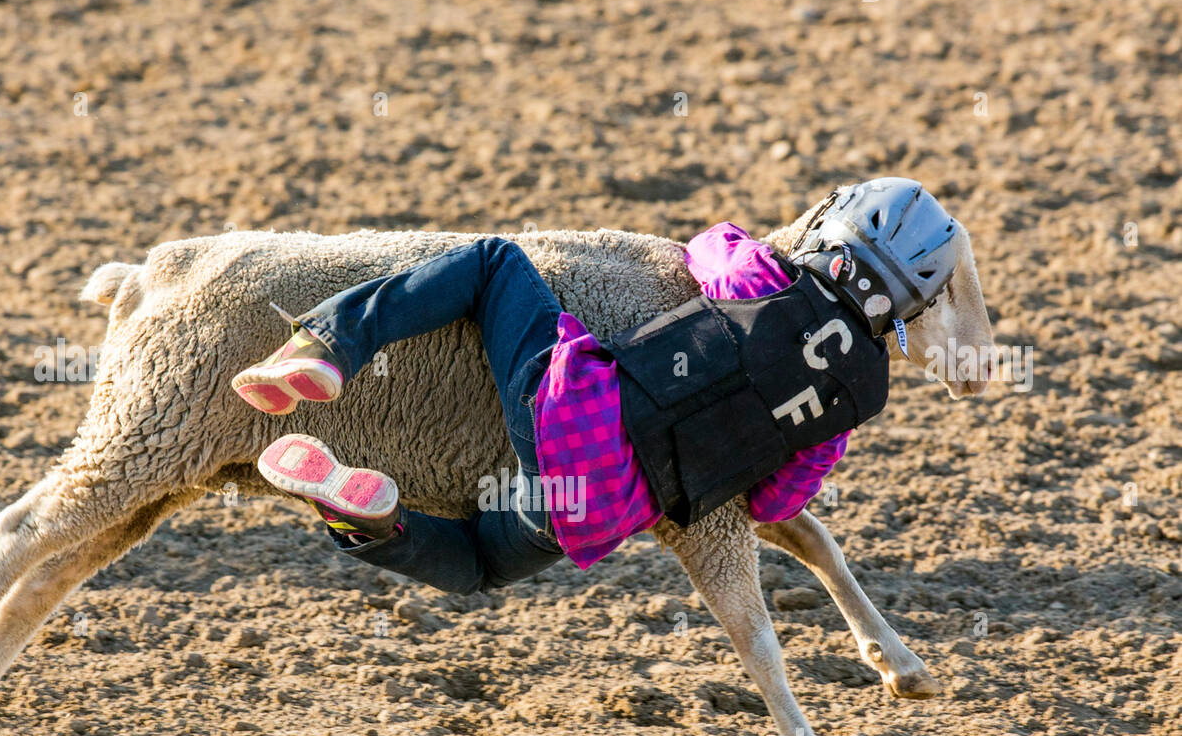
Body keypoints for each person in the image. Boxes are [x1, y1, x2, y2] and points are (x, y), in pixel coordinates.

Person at [230, 177, 958, 595]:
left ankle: (328, 343)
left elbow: (709, 247)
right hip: (600, 509)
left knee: (491, 262)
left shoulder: (762, 279)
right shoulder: (855, 403)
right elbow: (774, 503)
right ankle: (373, 523)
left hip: (570, 411)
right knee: (479, 566)